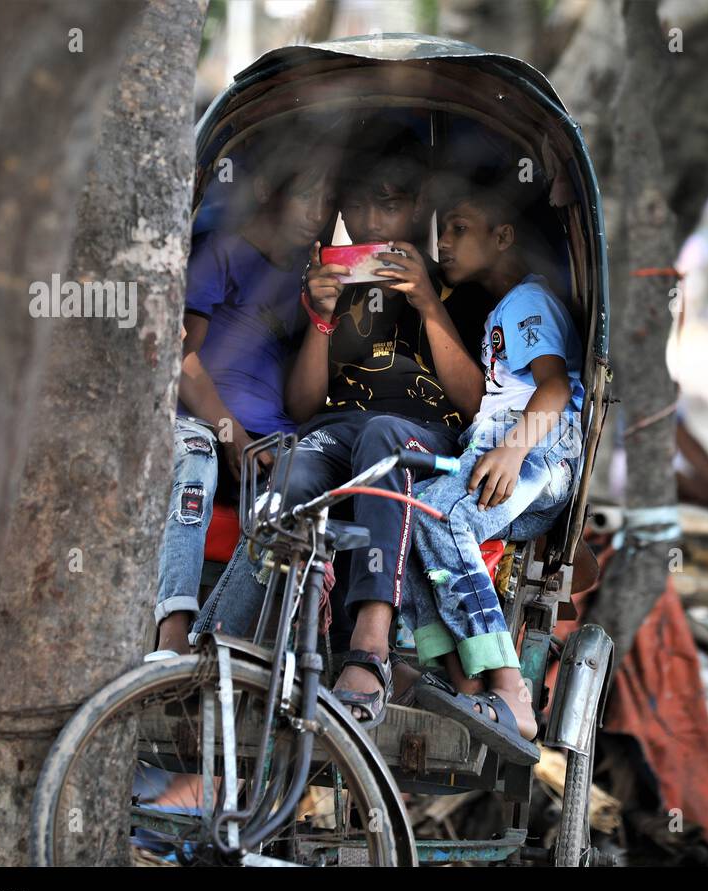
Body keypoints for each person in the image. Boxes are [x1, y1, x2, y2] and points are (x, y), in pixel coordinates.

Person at [191, 121, 490, 725]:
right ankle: (235, 639)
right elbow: (302, 407)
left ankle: (371, 646)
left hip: (418, 433)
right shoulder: (330, 282)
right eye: (358, 205)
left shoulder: (455, 284)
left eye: (391, 204)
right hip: (337, 427)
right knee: (295, 469)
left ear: (417, 205)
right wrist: (323, 316)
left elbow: (472, 401)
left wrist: (428, 303)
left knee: (383, 436)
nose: (374, 222)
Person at [400, 179, 585, 762]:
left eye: (459, 228)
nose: (445, 243)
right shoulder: (502, 311)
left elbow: (554, 385)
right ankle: (462, 682)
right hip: (506, 452)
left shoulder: (530, 301)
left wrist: (510, 449)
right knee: (407, 517)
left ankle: (510, 688)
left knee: (444, 516)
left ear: (502, 236)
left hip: (539, 453)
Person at [148, 123, 339, 659]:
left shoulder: (307, 278)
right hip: (202, 421)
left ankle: (230, 639)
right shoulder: (221, 253)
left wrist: (323, 319)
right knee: (195, 464)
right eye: (306, 192)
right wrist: (229, 431)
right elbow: (182, 359)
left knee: (306, 498)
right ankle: (174, 630)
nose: (317, 210)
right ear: (265, 190)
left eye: (327, 199)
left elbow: (304, 405)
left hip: (273, 435)